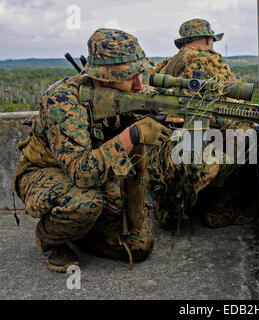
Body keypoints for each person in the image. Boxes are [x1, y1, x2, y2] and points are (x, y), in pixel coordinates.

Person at [14, 29, 172, 272]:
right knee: (85, 203)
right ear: (104, 77)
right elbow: (82, 173)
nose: (139, 85)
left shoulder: (128, 91)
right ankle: (49, 240)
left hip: (96, 171)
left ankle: (81, 232)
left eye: (140, 73)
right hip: (47, 172)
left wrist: (173, 114)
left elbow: (156, 101)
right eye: (129, 76)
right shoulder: (63, 102)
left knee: (140, 245)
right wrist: (134, 134)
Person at [149, 19, 259, 229]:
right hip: (191, 147)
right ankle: (220, 209)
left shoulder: (167, 65)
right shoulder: (202, 63)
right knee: (252, 141)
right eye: (211, 40)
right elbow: (212, 112)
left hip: (167, 147)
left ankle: (176, 205)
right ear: (208, 40)